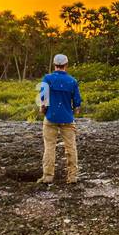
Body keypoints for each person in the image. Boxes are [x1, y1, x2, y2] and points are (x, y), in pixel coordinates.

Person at [37, 53, 82, 185]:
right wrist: (72, 111)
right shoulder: (72, 81)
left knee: (49, 147)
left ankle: (48, 176)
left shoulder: (47, 78)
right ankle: (72, 177)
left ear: (54, 65)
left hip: (51, 118)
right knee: (71, 148)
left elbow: (43, 100)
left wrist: (44, 111)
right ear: (66, 65)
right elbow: (77, 104)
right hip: (67, 119)